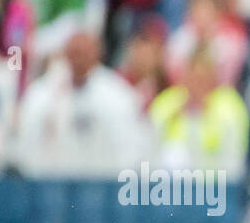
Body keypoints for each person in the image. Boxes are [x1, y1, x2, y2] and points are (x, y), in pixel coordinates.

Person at [13, 30, 151, 177]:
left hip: (104, 186)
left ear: (98, 53)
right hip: (57, 184)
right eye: (75, 52)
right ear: (66, 54)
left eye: (84, 52)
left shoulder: (117, 95)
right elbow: (29, 141)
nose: (78, 58)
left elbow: (129, 147)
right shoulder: (43, 94)